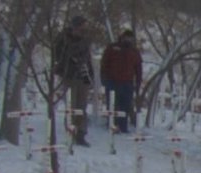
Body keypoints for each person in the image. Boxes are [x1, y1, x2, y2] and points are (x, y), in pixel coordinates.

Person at [54, 15, 93, 146]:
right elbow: (58, 56)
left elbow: (88, 59)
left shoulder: (86, 40)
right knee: (71, 106)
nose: (82, 29)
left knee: (82, 107)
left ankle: (81, 133)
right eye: (80, 26)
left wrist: (89, 77)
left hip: (83, 74)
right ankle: (71, 131)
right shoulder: (63, 38)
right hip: (68, 74)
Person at [99, 27, 142, 133]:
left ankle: (123, 126)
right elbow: (104, 63)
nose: (128, 40)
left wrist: (138, 84)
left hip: (127, 83)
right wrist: (104, 79)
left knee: (125, 105)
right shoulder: (113, 48)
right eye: (126, 37)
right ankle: (112, 124)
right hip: (112, 81)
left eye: (130, 38)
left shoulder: (134, 52)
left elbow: (138, 69)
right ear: (122, 37)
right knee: (113, 104)